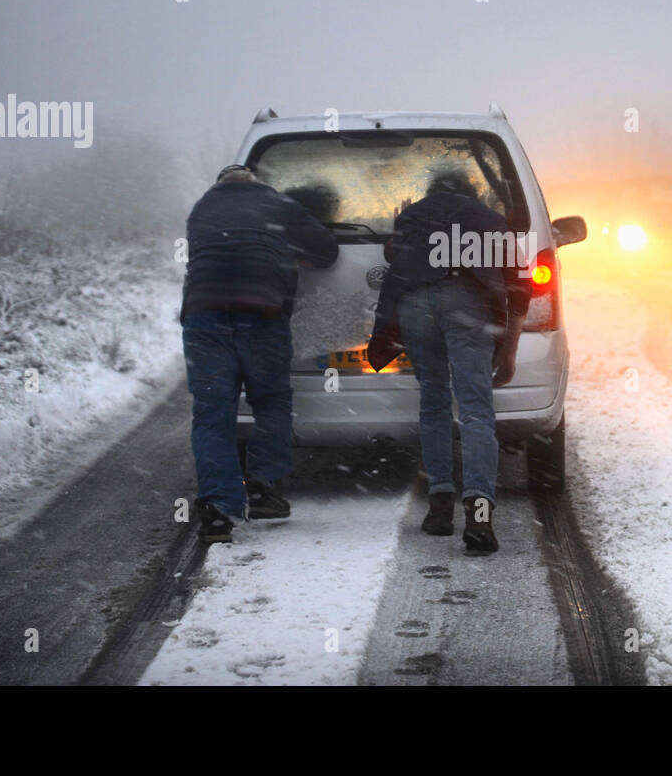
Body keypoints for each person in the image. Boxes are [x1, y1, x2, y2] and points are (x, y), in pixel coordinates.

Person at [367, 169, 530, 554]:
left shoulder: (414, 215)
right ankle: (478, 512)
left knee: (434, 402)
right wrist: (508, 351)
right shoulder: (488, 220)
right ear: (474, 193)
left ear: (431, 191)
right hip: (465, 303)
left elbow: (396, 258)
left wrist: (402, 223)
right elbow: (517, 286)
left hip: (414, 306)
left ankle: (440, 505)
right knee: (475, 407)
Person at [181, 164, 338, 543]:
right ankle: (263, 488)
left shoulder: (201, 208)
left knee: (212, 413)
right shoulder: (275, 202)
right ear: (255, 182)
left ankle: (218, 510)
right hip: (261, 313)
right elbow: (327, 251)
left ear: (219, 185)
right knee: (269, 401)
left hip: (205, 316)